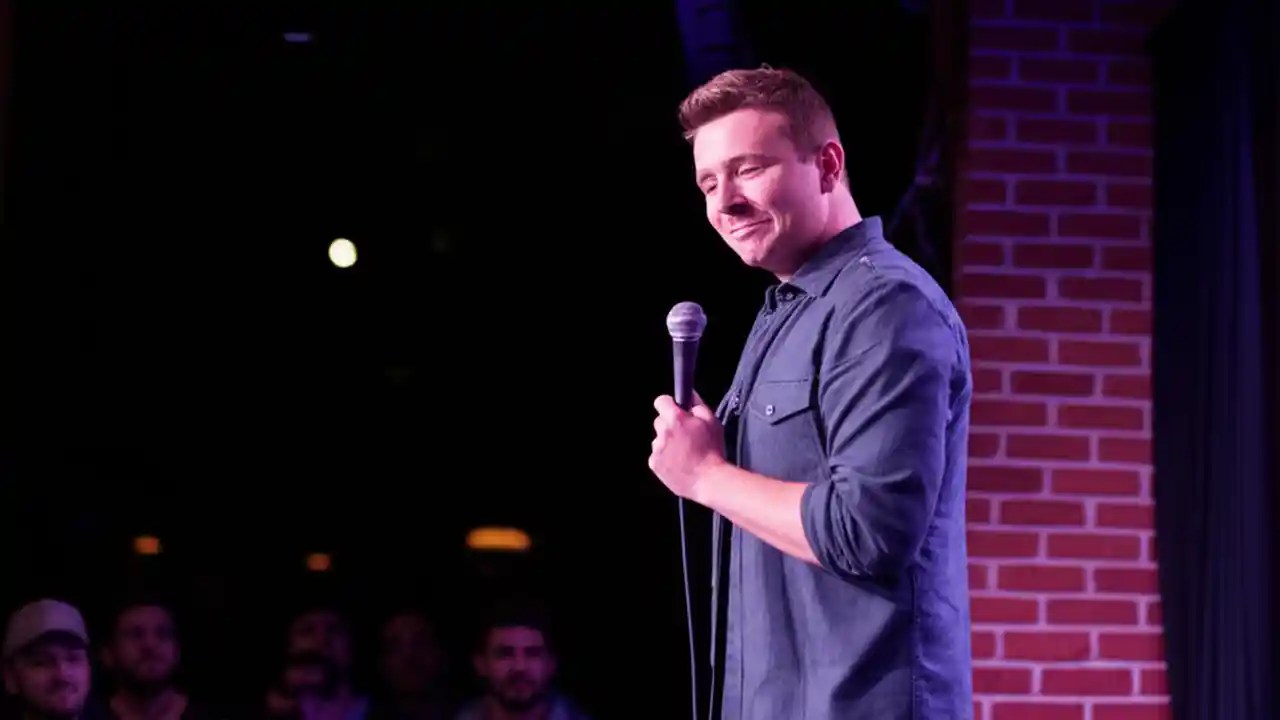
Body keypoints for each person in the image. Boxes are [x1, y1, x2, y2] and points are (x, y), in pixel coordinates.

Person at [648, 66, 973, 719]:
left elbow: (869, 530)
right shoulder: (789, 313)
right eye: (708, 182)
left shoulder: (885, 306)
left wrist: (705, 475)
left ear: (827, 165)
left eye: (748, 169)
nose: (724, 202)